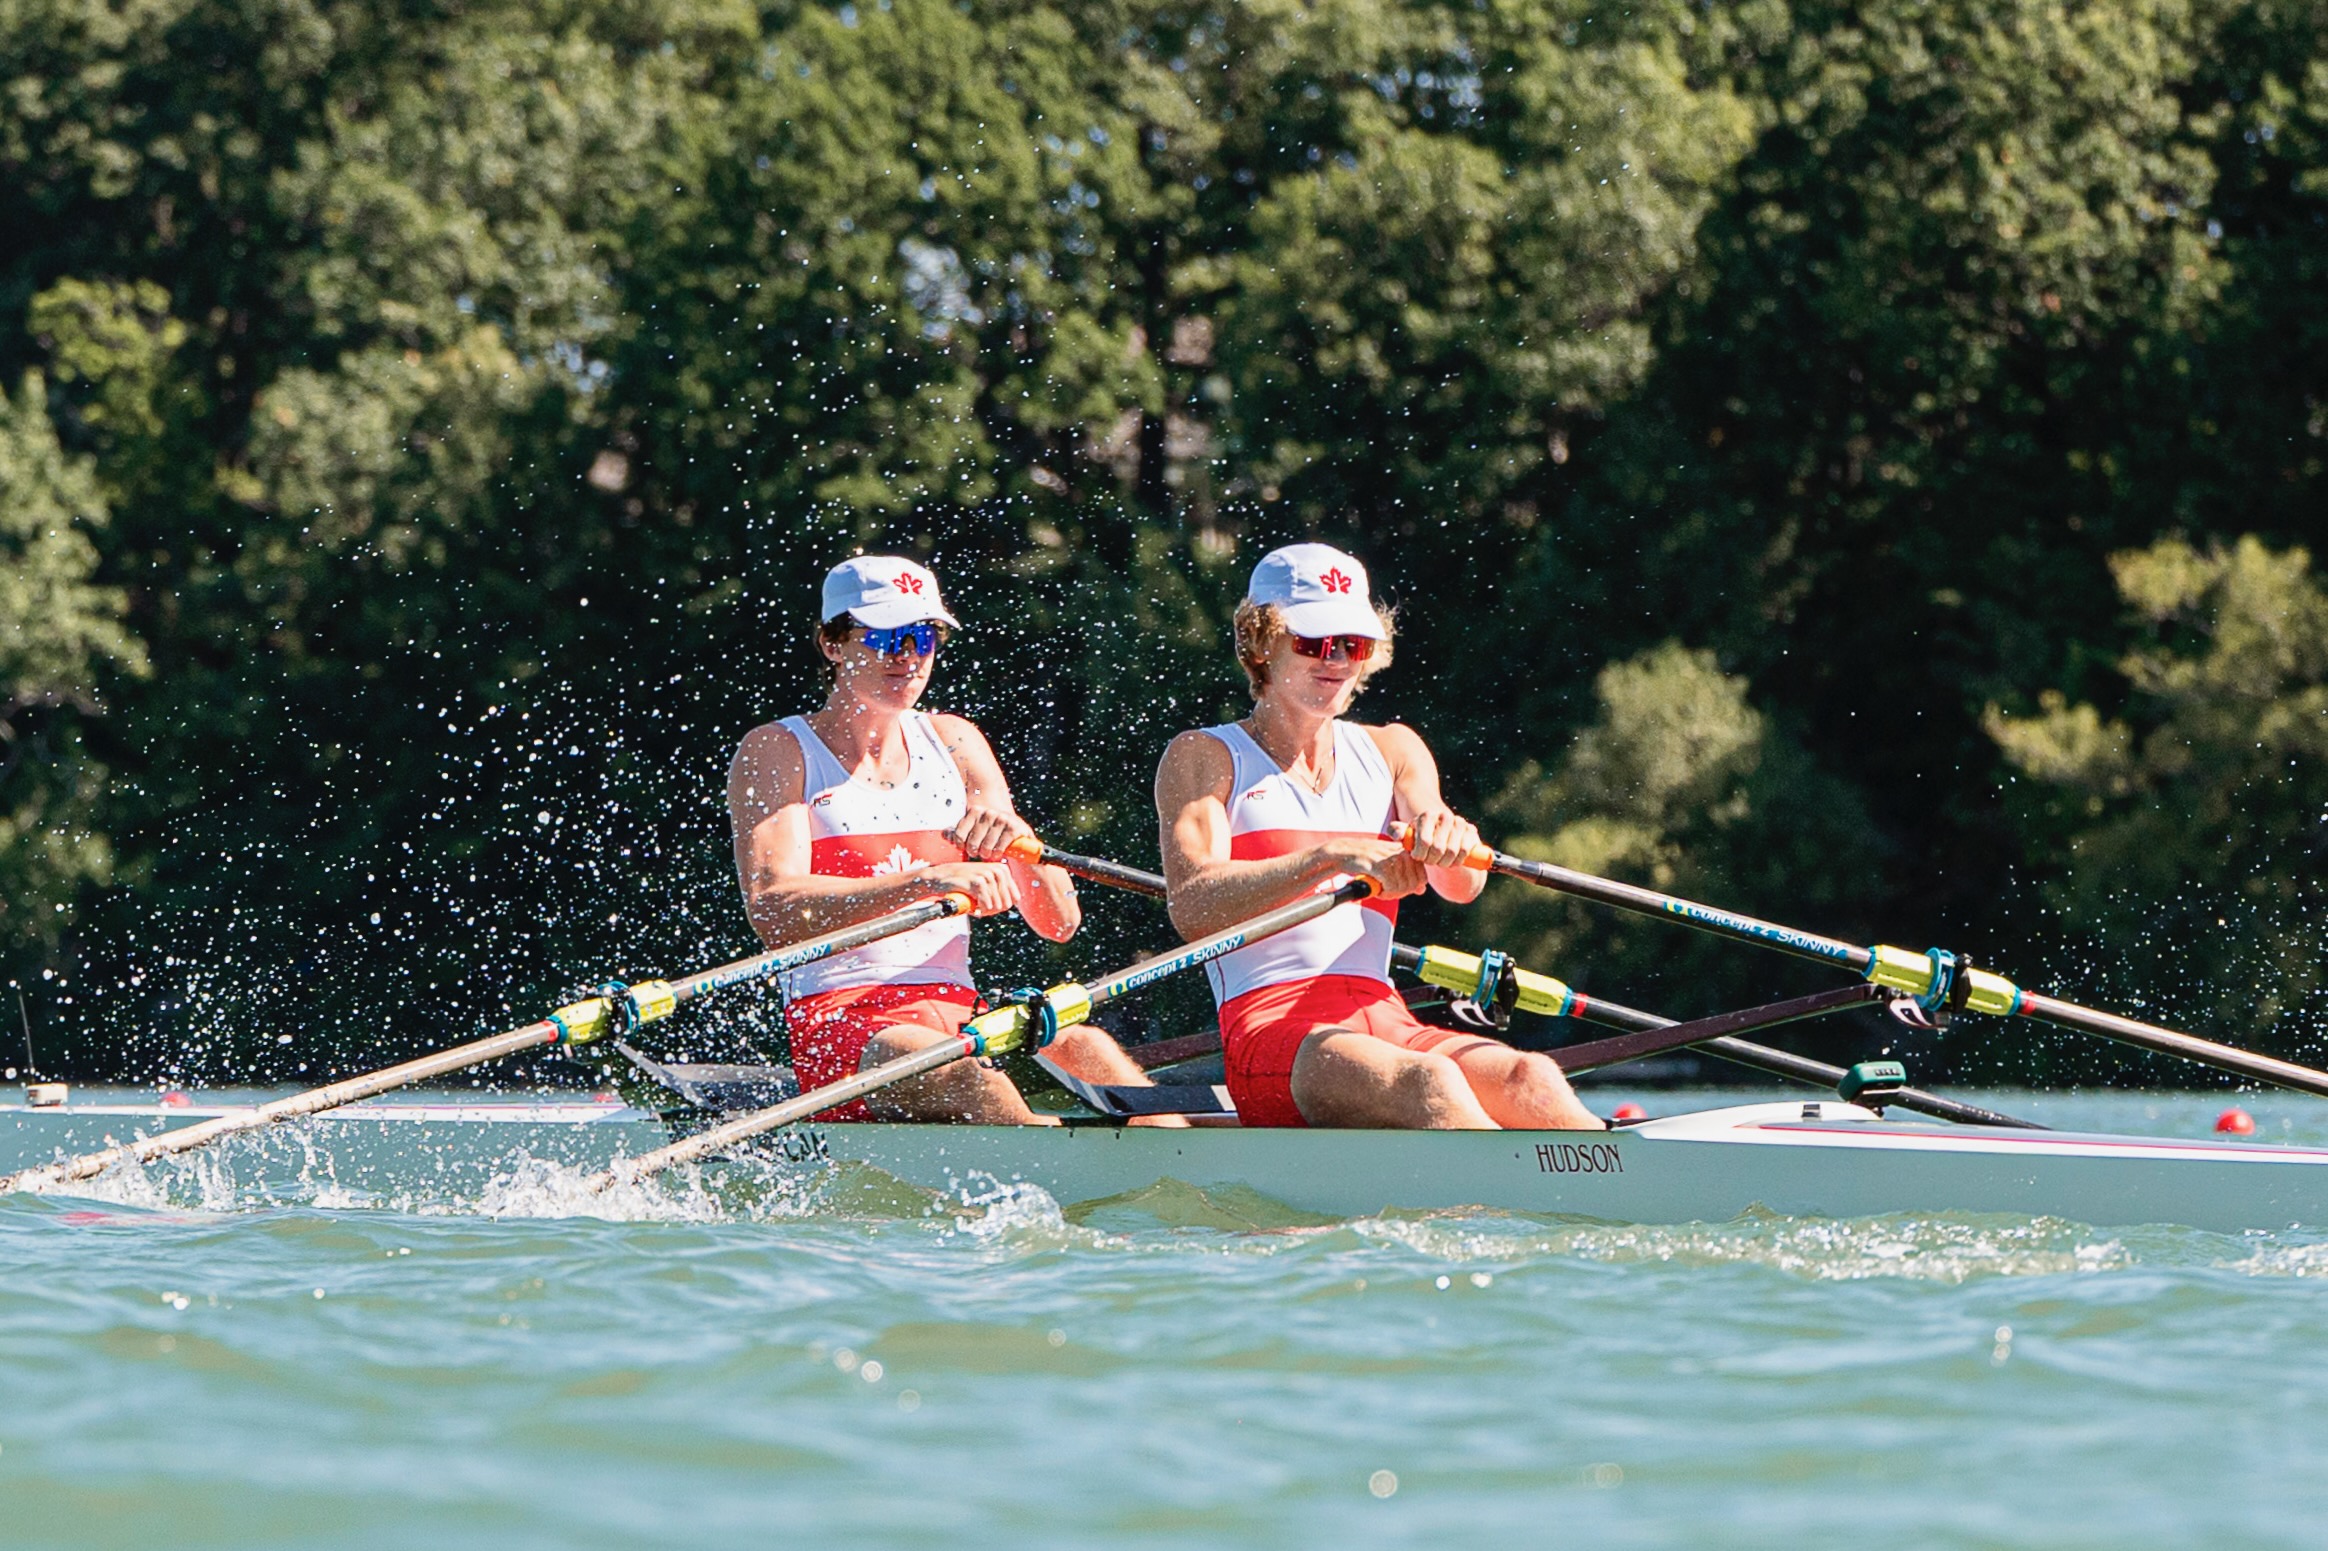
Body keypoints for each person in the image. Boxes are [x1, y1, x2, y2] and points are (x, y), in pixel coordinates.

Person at [1153, 543, 1604, 1130]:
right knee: (1430, 1082)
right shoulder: (1207, 755)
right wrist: (1328, 857)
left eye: (1354, 645)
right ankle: (1500, 1214)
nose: (1337, 660)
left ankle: (1619, 1217)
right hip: (1272, 1031)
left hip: (1383, 1015)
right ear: (1260, 642)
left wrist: (1448, 838)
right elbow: (1193, 907)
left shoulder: (1394, 749)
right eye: (1314, 642)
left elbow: (1462, 885)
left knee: (1533, 1077)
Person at [728, 554, 1168, 1124]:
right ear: (832, 644)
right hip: (843, 1023)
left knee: (1091, 1049)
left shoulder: (955, 741)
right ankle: (1048, 1179)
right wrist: (927, 880)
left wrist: (1021, 845)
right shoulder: (777, 750)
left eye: (923, 636)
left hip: (961, 1011)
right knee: (956, 1072)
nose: (908, 657)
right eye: (886, 638)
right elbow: (774, 911)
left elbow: (1059, 924)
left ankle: (1196, 1194)